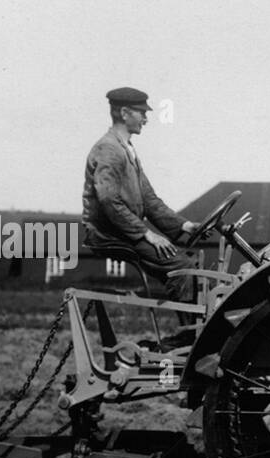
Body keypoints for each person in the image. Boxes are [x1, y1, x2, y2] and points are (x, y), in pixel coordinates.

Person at [82, 87, 199, 321]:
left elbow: (149, 200)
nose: (146, 118)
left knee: (191, 264)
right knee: (182, 268)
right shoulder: (109, 150)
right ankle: (190, 335)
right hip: (109, 234)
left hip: (122, 230)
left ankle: (193, 331)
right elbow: (108, 200)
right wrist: (146, 233)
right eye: (141, 112)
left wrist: (184, 226)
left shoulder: (127, 150)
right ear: (124, 113)